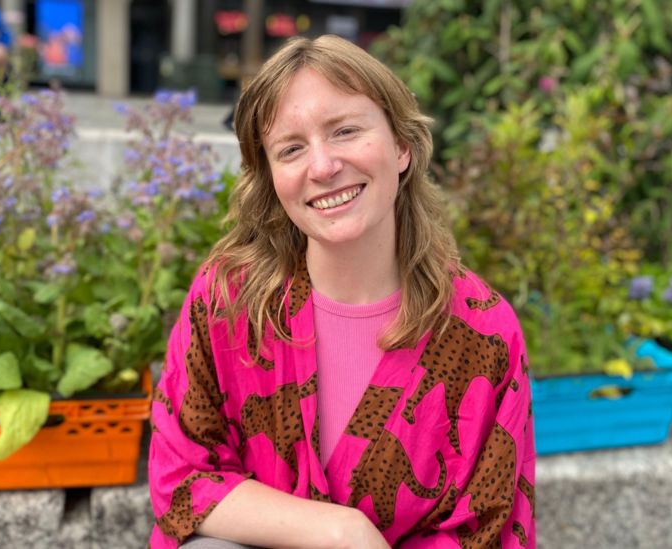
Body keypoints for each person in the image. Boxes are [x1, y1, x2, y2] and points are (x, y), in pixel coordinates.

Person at [149, 35, 536, 549]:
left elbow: (490, 529)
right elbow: (182, 476)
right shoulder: (228, 301)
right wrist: (340, 530)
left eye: (345, 131)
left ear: (401, 147)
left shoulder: (482, 331)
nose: (323, 166)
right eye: (291, 149)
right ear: (270, 176)